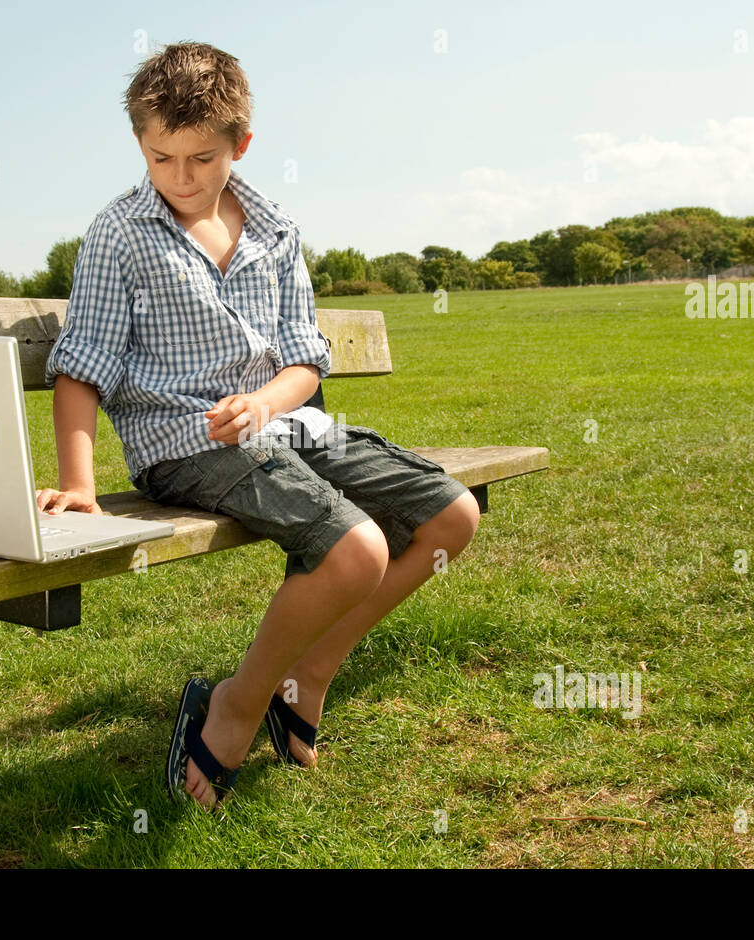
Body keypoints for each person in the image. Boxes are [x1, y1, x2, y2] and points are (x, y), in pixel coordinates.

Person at [38, 41, 481, 811]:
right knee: (356, 548)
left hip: (285, 426)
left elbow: (306, 362)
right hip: (186, 443)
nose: (181, 176)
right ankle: (236, 704)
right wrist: (81, 485)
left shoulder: (276, 230)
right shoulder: (120, 235)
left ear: (241, 144)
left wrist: (269, 403)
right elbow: (82, 366)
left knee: (452, 515)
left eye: (202, 158)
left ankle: (311, 669)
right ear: (140, 145)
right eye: (161, 157)